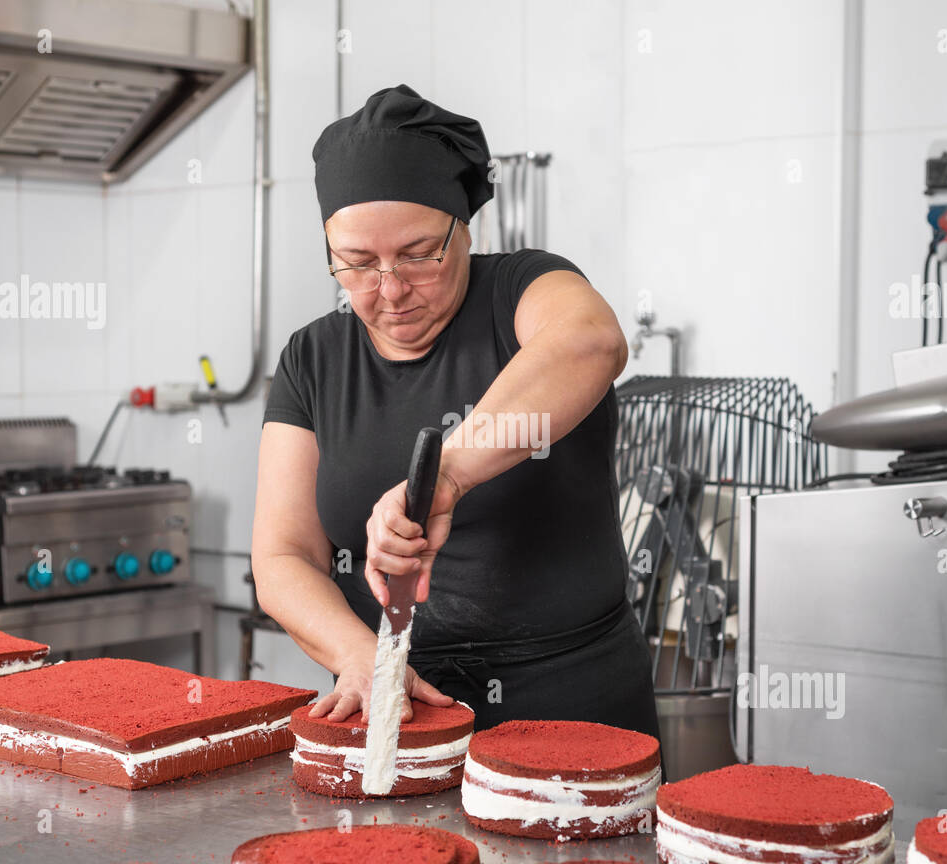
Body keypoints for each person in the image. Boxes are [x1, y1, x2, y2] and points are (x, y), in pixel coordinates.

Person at [251, 84, 660, 742]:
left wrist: (446, 474)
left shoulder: (524, 289)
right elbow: (282, 556)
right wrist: (362, 658)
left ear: (464, 229)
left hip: (574, 709)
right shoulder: (313, 358)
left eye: (418, 255)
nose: (389, 289)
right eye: (356, 264)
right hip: (402, 710)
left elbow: (591, 341)